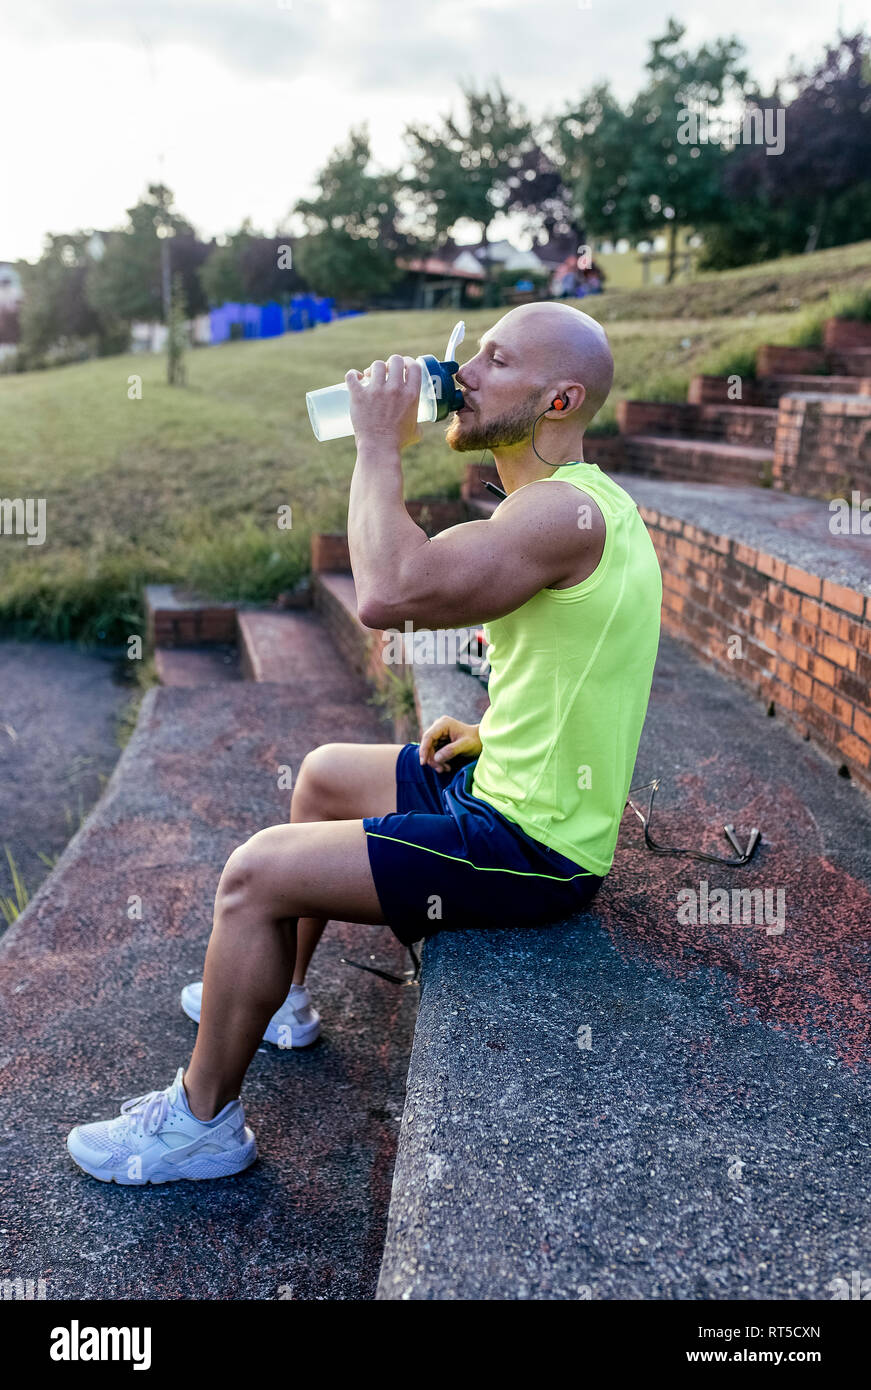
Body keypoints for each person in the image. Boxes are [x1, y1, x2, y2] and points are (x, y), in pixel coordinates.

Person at [66, 302, 662, 1185]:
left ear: (559, 399)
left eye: (495, 361)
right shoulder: (560, 508)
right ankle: (283, 1002)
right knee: (323, 775)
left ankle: (200, 1125)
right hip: (501, 781)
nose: (463, 373)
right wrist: (490, 730)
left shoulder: (558, 517)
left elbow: (387, 592)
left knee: (254, 872)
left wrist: (376, 444)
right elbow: (589, 668)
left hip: (534, 845)